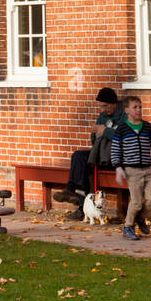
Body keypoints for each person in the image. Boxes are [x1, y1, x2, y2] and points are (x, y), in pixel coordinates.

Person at [54, 87, 126, 216]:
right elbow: (94, 141)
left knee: (83, 167)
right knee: (78, 157)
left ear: (113, 104)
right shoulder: (102, 116)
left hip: (117, 159)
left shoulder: (125, 115)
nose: (102, 110)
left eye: (104, 106)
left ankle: (81, 208)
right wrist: (95, 134)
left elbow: (125, 138)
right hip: (99, 155)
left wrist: (105, 131)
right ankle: (71, 190)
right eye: (100, 107)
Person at [110, 95, 151, 239]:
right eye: (135, 107)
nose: (139, 110)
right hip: (132, 171)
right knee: (136, 202)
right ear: (127, 110)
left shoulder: (147, 127)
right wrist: (118, 168)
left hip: (147, 170)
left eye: (140, 107)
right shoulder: (122, 129)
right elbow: (115, 150)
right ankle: (128, 227)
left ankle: (138, 217)